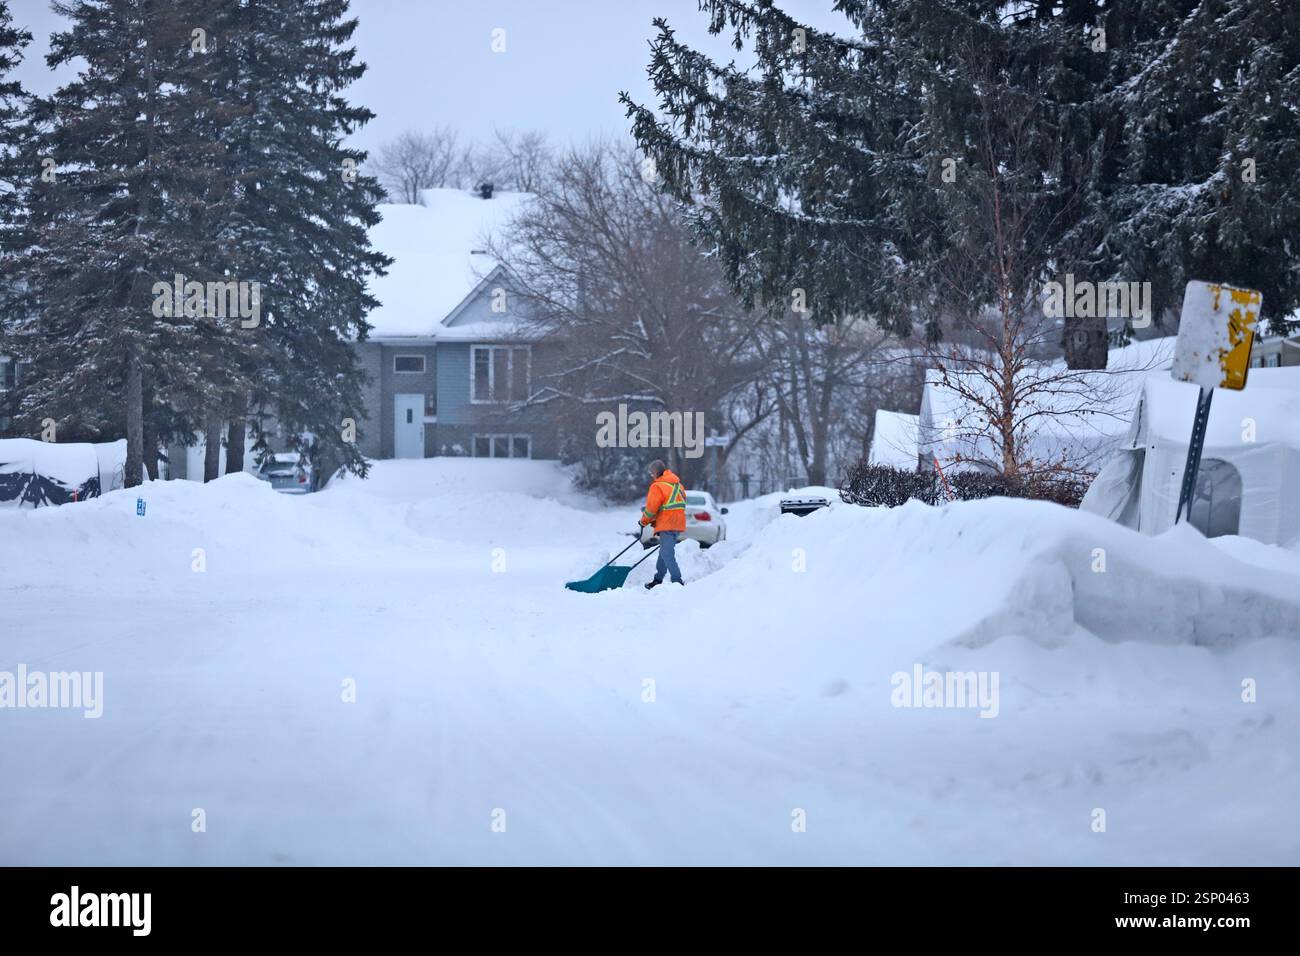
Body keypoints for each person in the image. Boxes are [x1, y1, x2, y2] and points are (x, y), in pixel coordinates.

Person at [638, 459, 687, 588]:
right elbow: (674, 504)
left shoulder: (657, 486)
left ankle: (677, 582)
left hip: (667, 524)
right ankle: (658, 579)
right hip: (677, 524)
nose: (651, 476)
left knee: (666, 553)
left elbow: (651, 509)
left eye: (651, 473)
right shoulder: (678, 485)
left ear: (655, 472)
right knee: (664, 551)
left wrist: (644, 521)